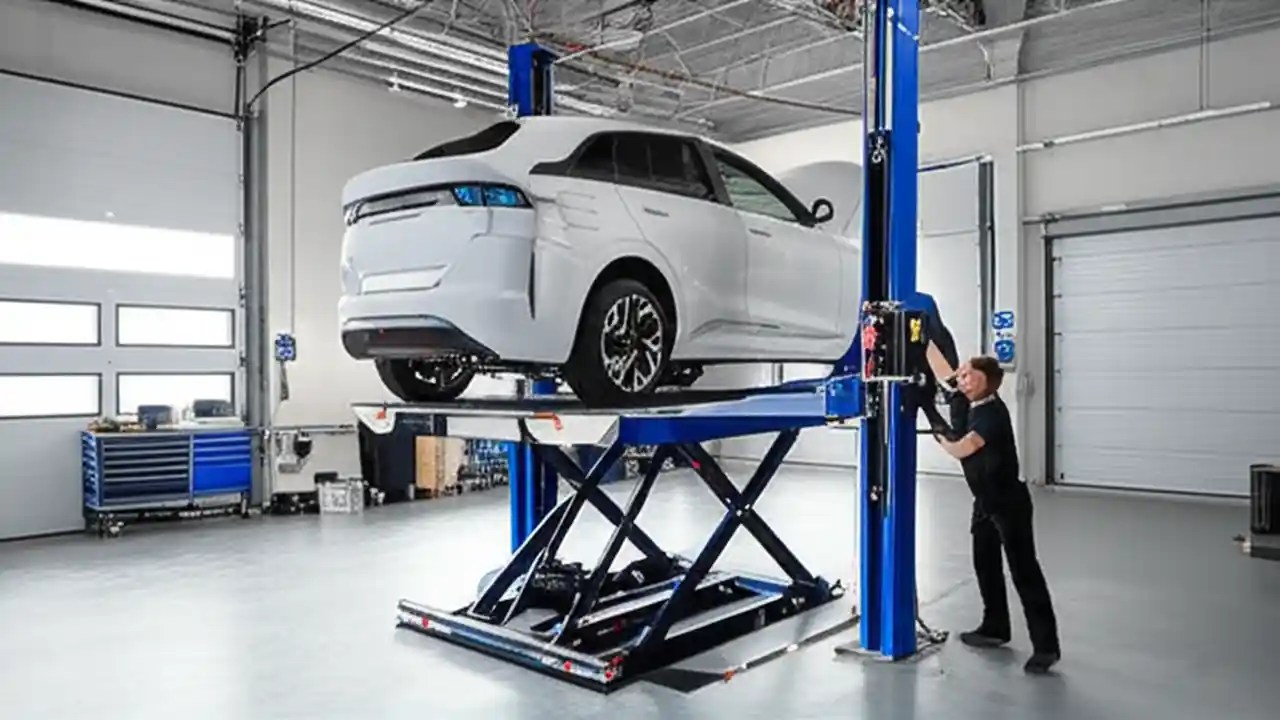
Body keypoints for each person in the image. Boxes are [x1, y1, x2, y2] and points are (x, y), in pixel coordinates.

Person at [935, 356, 1061, 674]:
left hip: (1008, 504)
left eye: (969, 376)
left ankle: (1046, 648)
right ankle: (995, 627)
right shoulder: (968, 402)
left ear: (989, 382)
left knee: (1024, 571)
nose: (961, 380)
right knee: (985, 564)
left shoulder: (992, 413)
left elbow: (964, 448)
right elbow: (943, 374)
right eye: (961, 375)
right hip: (984, 502)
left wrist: (940, 438)